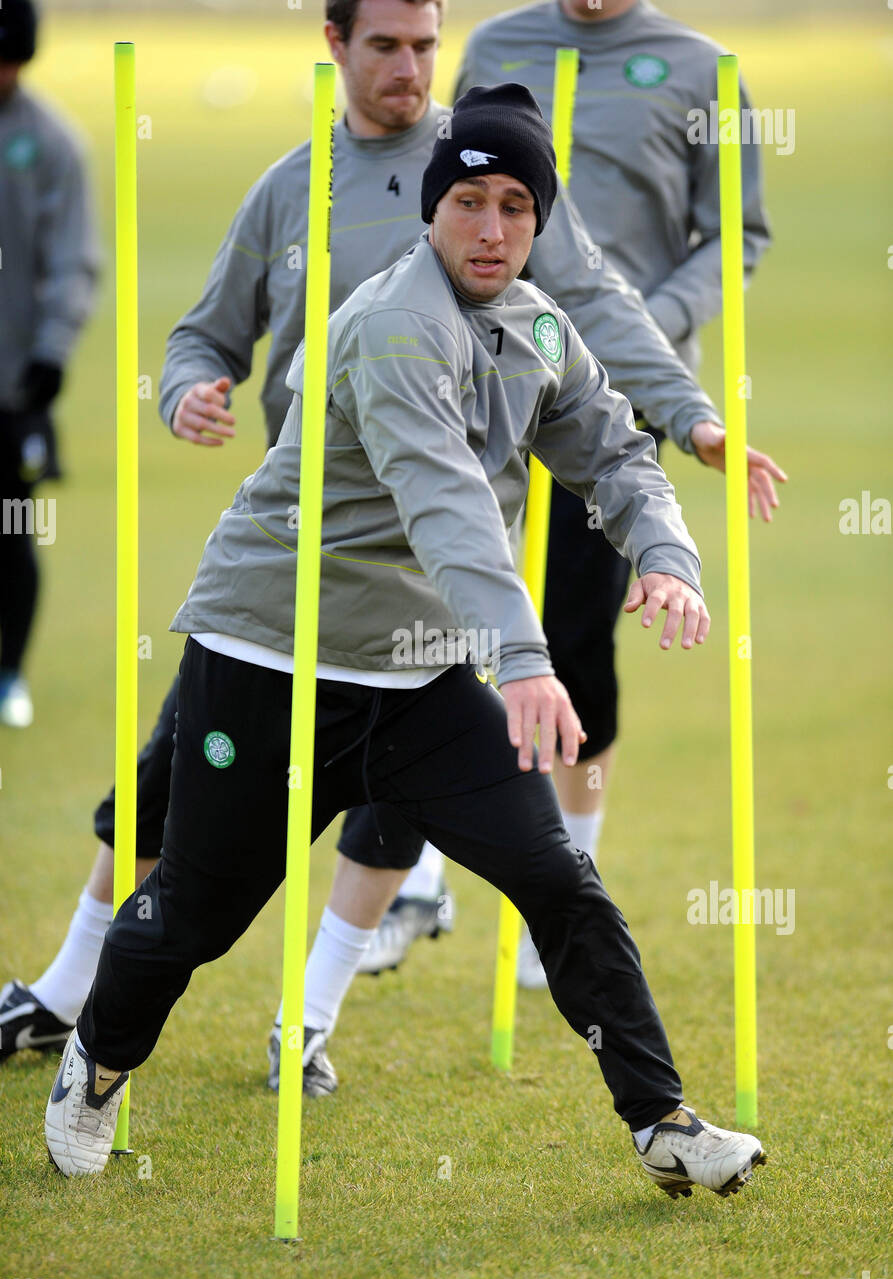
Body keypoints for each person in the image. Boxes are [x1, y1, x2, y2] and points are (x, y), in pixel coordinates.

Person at [3, 0, 783, 1093]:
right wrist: (188, 389)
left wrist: (690, 419)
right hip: (284, 577)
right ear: (335, 47)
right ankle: (65, 992)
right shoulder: (291, 187)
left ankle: (307, 1021)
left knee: (402, 795)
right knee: (161, 800)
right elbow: (204, 332)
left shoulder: (490, 180)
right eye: (386, 45)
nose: (412, 68)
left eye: (426, 44)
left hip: (427, 586)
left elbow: (595, 322)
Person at [453, 0, 773, 984]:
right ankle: (404, 855)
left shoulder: (701, 69)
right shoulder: (492, 47)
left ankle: (567, 886)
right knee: (442, 615)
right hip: (484, 377)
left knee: (573, 640)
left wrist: (653, 322)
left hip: (622, 387)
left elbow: (737, 236)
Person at [0, 0, 99, 728]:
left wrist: (51, 353)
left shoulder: (52, 141)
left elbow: (73, 259)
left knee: (10, 529)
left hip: (11, 382)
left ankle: (8, 674)